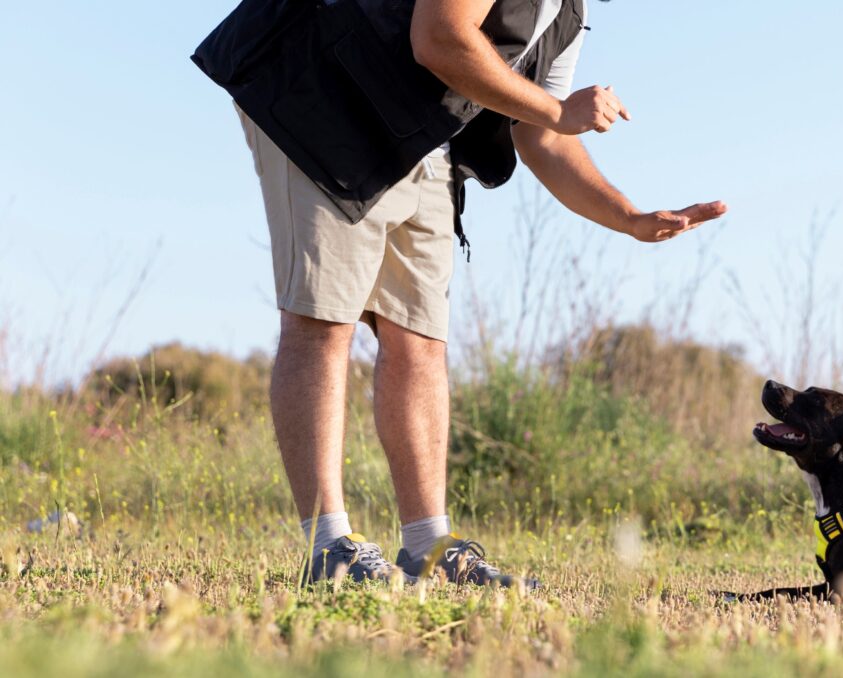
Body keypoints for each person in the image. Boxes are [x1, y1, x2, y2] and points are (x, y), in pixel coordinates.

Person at [194, 0, 726, 585]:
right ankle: (329, 548)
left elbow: (543, 135)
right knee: (322, 322)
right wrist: (557, 109)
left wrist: (630, 218)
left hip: (416, 135)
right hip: (320, 92)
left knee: (419, 339)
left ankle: (426, 548)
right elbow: (440, 37)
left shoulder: (568, 14)